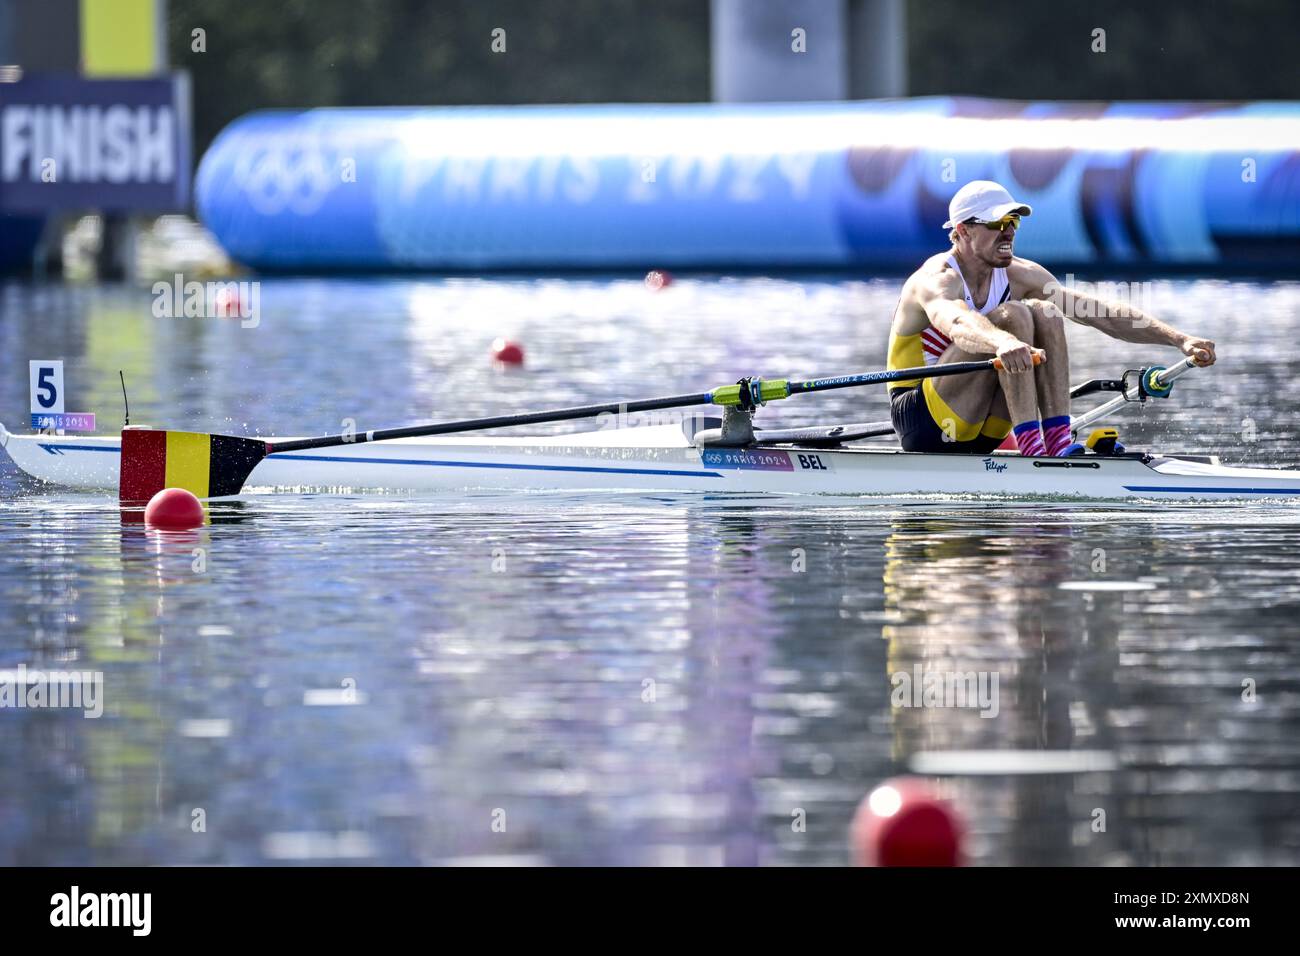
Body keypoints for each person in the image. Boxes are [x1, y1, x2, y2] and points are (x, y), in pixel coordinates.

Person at [887, 180, 1216, 456]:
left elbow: (1098, 312)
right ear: (963, 231)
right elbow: (957, 323)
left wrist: (1178, 339)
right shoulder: (935, 279)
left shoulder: (1022, 274)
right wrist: (1003, 342)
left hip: (985, 429)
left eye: (1013, 223)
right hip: (924, 423)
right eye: (997, 224)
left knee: (1046, 311)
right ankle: (1035, 450)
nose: (1008, 233)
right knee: (1013, 315)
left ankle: (1054, 442)